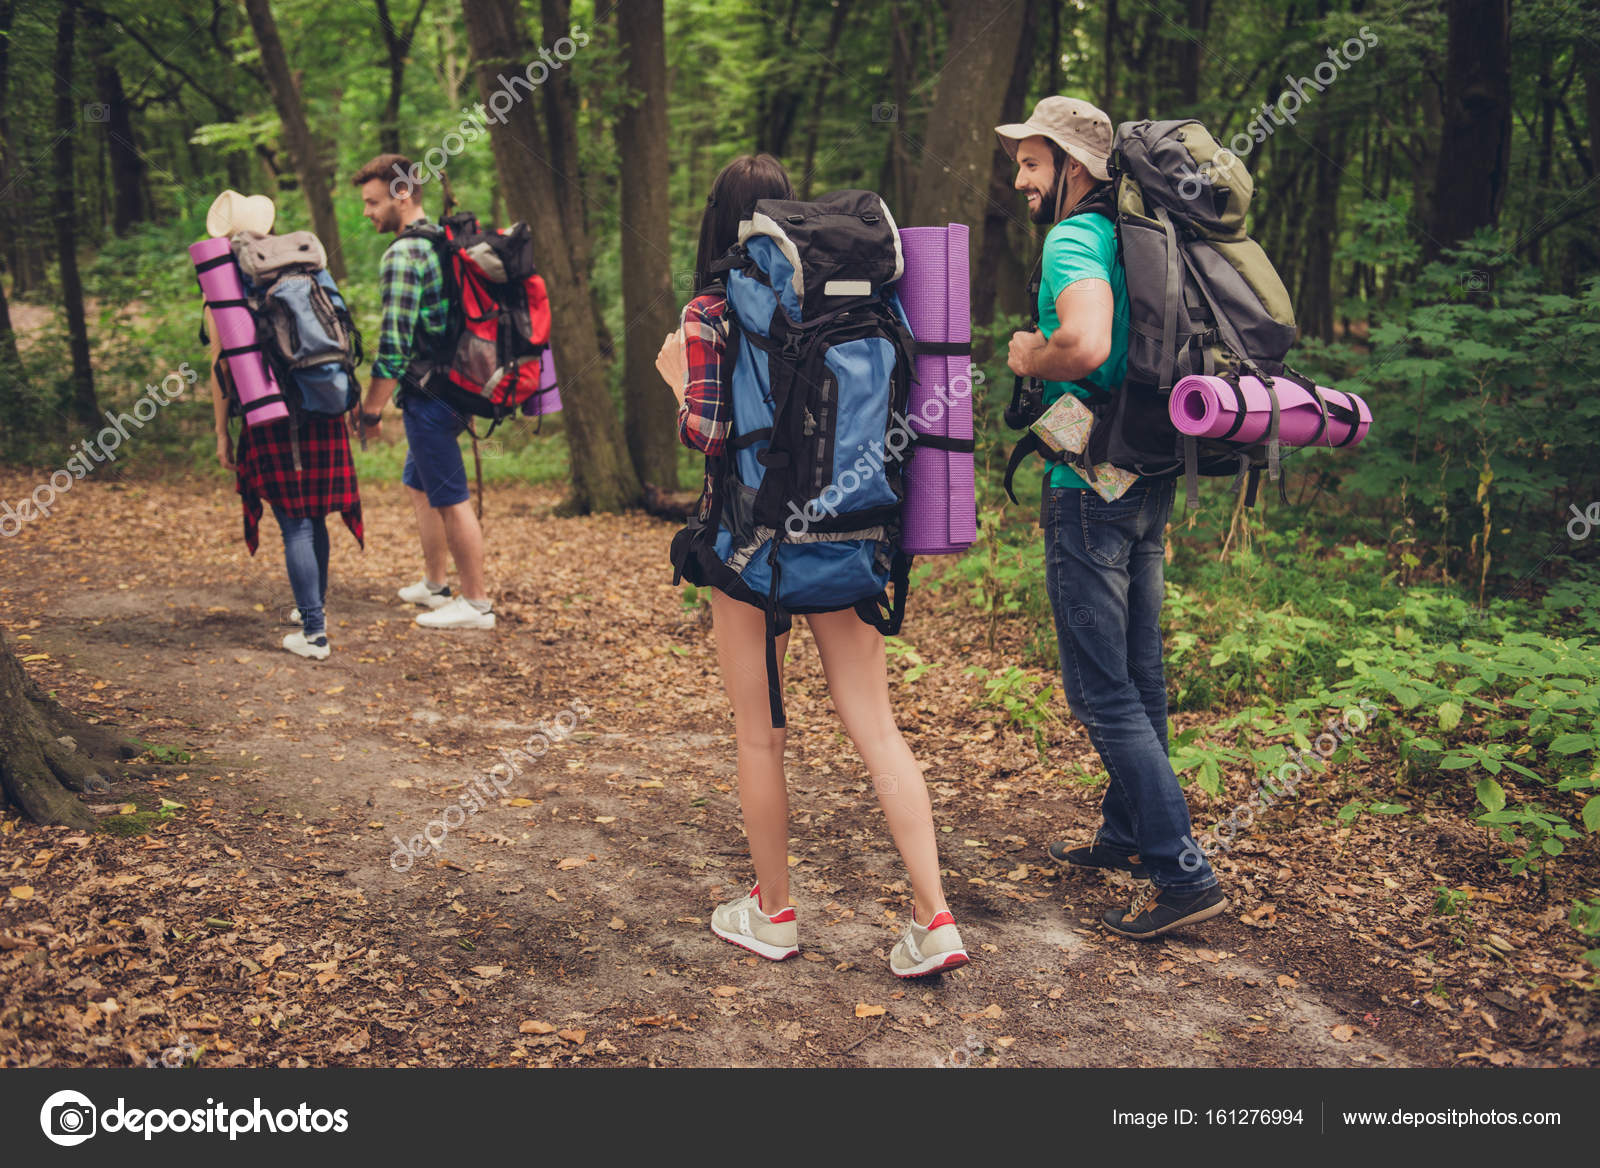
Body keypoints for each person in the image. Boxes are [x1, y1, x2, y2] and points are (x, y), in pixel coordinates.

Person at [653, 155, 967, 980]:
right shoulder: (863, 298)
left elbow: (708, 435)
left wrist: (675, 379)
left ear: (719, 221)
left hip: (751, 550)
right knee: (876, 725)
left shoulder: (710, 310)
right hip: (855, 532)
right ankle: (935, 917)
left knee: (761, 735)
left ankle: (774, 912)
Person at [995, 97, 1228, 939]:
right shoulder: (1143, 240)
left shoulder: (1073, 237)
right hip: (1149, 467)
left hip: (1092, 484)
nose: (1019, 179)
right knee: (1140, 674)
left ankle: (1181, 869)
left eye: (1031, 162)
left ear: (1074, 165)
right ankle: (1129, 833)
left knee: (1101, 692)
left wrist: (1032, 353)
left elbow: (1087, 347)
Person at [202, 190, 362, 661]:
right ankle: (315, 608)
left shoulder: (226, 295)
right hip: (324, 405)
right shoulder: (307, 269)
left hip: (271, 415)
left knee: (294, 525)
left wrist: (221, 433)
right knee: (315, 516)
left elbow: (223, 375)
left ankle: (314, 634)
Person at [349, 153, 494, 630]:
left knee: (451, 497)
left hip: (430, 394)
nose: (367, 212)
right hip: (455, 386)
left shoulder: (404, 253)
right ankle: (436, 584)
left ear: (402, 194)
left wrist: (370, 409)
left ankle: (475, 604)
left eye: (372, 203)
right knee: (419, 483)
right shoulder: (442, 242)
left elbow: (392, 345)